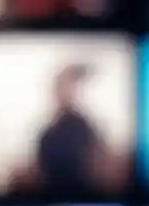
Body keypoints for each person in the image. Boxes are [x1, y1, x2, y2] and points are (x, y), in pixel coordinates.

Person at [34, 63, 107, 193]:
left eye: (68, 85)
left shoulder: (84, 127)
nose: (65, 91)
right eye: (61, 86)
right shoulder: (48, 132)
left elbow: (96, 167)